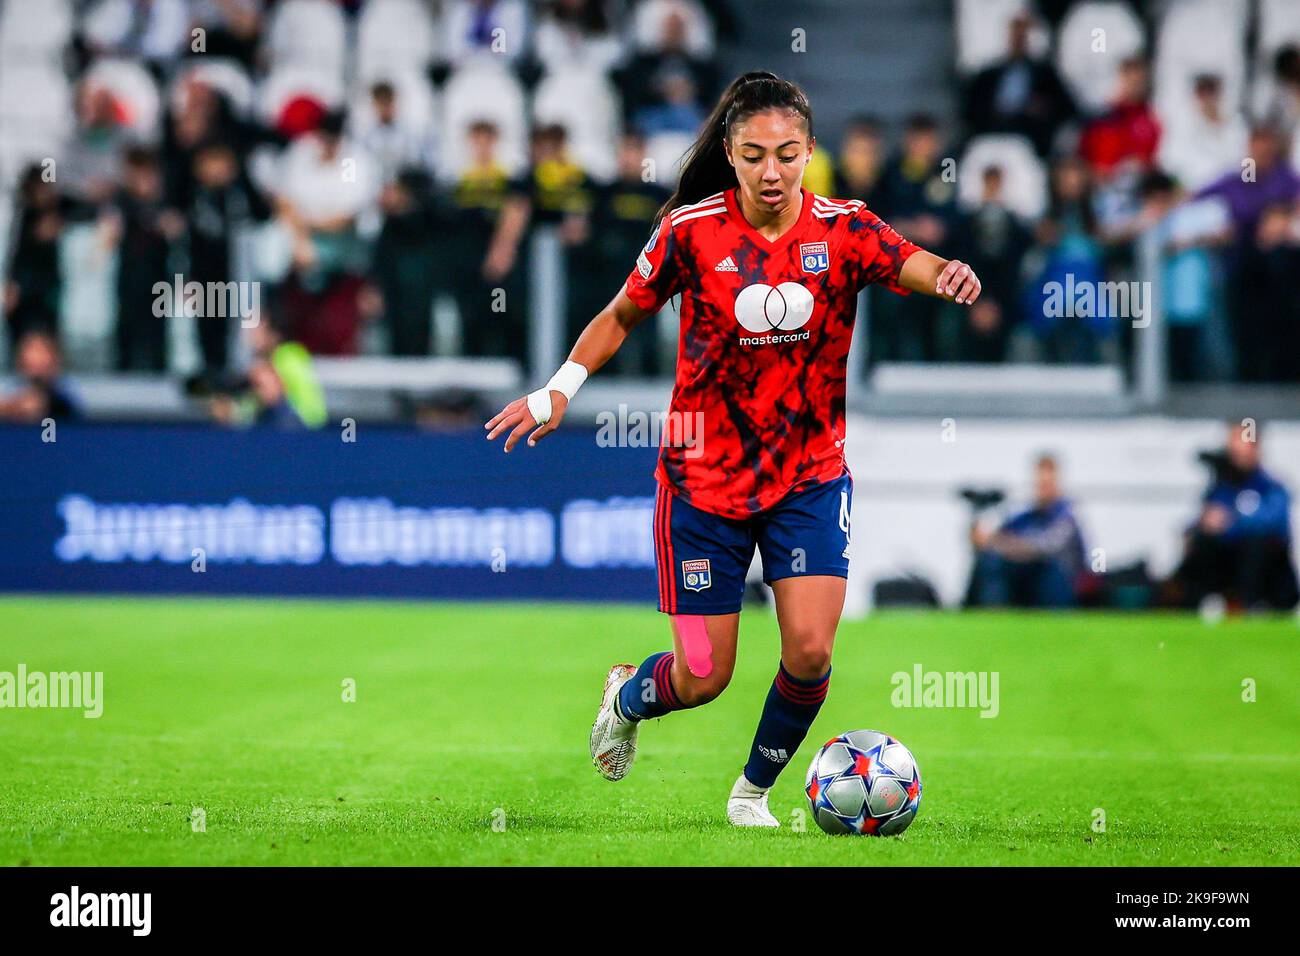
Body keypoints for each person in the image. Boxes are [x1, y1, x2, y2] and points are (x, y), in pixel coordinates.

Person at [484, 72, 983, 828]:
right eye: (754, 155)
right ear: (730, 152)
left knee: (811, 651)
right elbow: (621, 313)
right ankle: (628, 694)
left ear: (809, 152)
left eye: (787, 154)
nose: (772, 172)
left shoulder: (844, 228)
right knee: (705, 674)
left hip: (809, 477)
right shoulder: (690, 232)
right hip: (700, 484)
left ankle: (752, 793)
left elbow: (909, 260)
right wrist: (560, 388)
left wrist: (946, 276)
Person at [1166, 422, 1299, 611]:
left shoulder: (1272, 487)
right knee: (1201, 544)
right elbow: (1207, 518)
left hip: (1266, 570)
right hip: (1227, 562)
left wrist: (1230, 522)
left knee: (1255, 546)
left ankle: (1248, 607)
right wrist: (1199, 527)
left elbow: (1272, 524)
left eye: (1242, 441)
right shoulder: (1222, 487)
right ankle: (1187, 608)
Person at [968, 455, 1086, 608]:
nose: (1042, 489)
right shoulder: (1027, 516)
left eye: (1047, 485)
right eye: (1039, 484)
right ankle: (993, 614)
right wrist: (983, 535)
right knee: (991, 560)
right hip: (1028, 584)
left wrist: (998, 541)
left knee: (1048, 569)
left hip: (1062, 586)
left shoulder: (1066, 516)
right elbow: (998, 535)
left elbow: (1044, 548)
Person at [0, 329, 80, 423]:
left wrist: (46, 405)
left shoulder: (67, 389)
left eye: (41, 351)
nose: (36, 358)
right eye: (31, 351)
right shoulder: (9, 389)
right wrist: (14, 407)